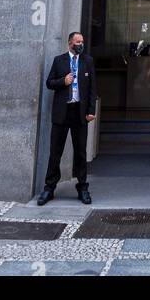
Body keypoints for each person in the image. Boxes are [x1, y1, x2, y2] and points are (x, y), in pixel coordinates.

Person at [38, 31, 97, 206]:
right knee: (55, 152)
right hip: (62, 113)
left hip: (80, 113)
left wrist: (91, 110)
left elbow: (93, 88)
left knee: (80, 152)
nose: (81, 44)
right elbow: (49, 83)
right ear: (70, 43)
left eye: (82, 41)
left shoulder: (88, 61)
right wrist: (62, 82)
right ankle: (49, 188)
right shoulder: (59, 60)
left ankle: (83, 188)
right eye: (78, 41)